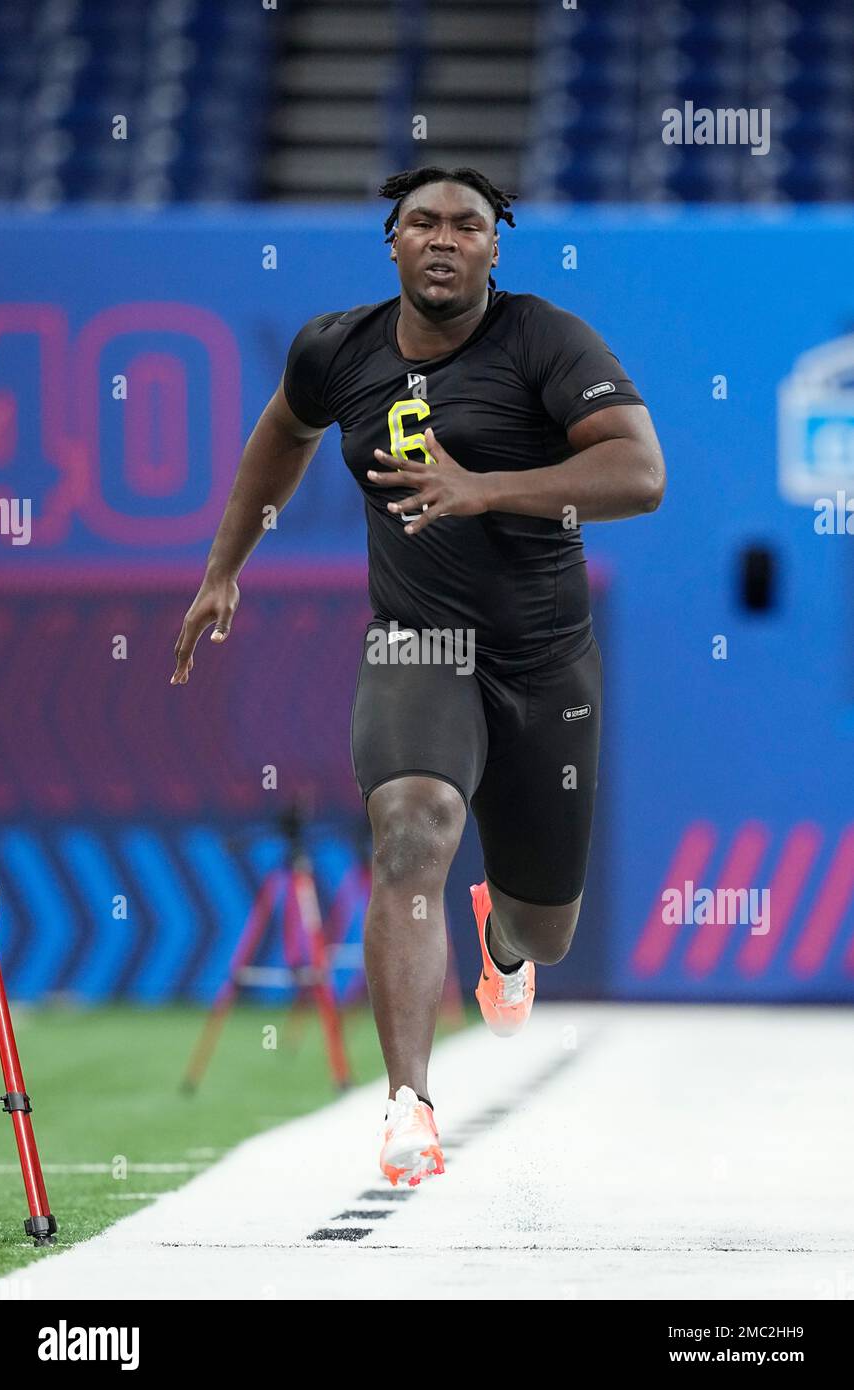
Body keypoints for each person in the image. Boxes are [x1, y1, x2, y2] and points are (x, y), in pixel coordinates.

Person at [171, 165, 666, 1189]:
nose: (444, 238)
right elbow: (281, 433)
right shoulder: (334, 348)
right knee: (410, 825)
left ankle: (502, 938)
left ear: (495, 248)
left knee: (548, 928)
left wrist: (485, 489)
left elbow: (638, 472)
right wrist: (224, 567)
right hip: (416, 643)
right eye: (423, 223)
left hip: (541, 660)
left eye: (468, 225)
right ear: (391, 242)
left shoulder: (545, 340)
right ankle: (408, 1104)